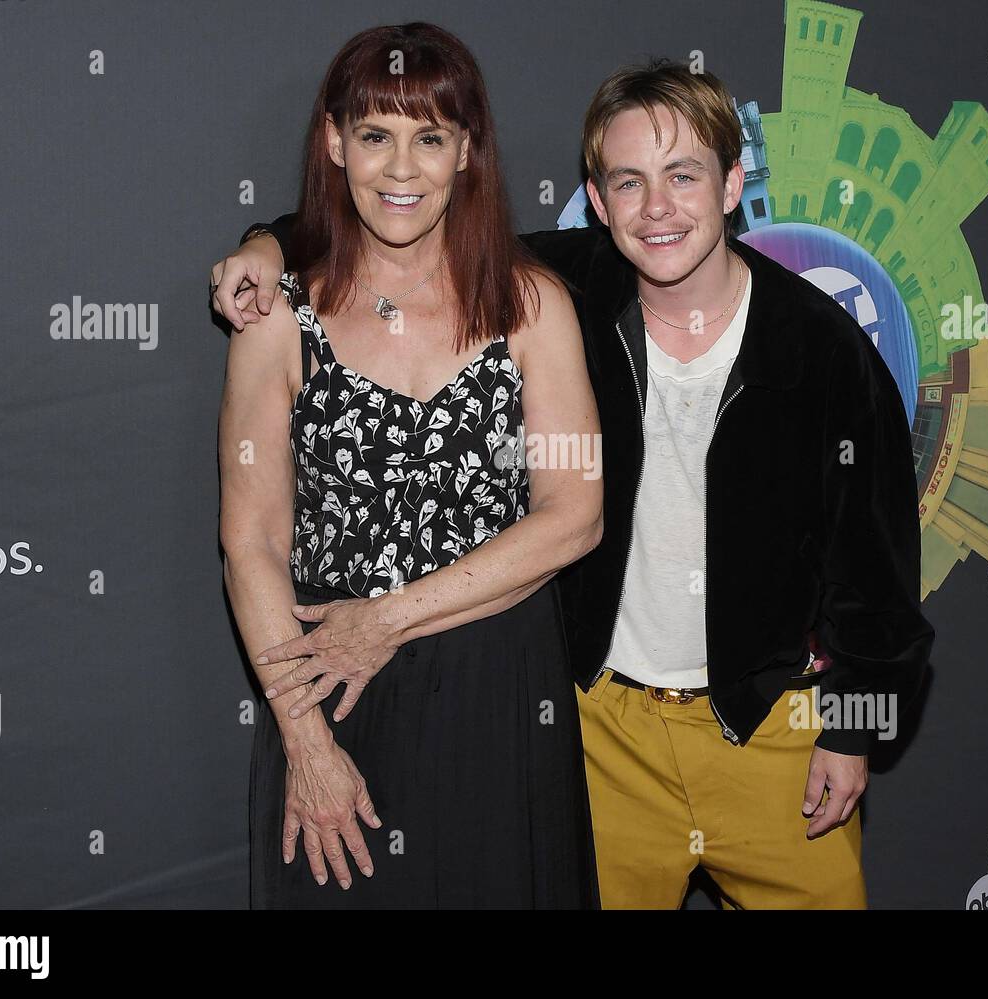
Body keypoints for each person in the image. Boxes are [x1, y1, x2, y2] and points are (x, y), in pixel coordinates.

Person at [215, 60, 934, 909]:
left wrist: (852, 727)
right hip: (602, 736)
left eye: (683, 176)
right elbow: (392, 215)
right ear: (597, 201)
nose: (656, 208)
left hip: (769, 728)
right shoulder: (568, 286)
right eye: (628, 182)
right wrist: (269, 241)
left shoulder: (826, 352)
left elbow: (877, 564)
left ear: (734, 183)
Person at [216, 22, 602, 909]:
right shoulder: (276, 319)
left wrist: (386, 619)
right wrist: (305, 743)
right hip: (327, 701)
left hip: (500, 696)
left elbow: (575, 513)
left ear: (466, 152)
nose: (401, 168)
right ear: (333, 142)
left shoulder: (530, 304)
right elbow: (252, 543)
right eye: (376, 135)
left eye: (429, 138)